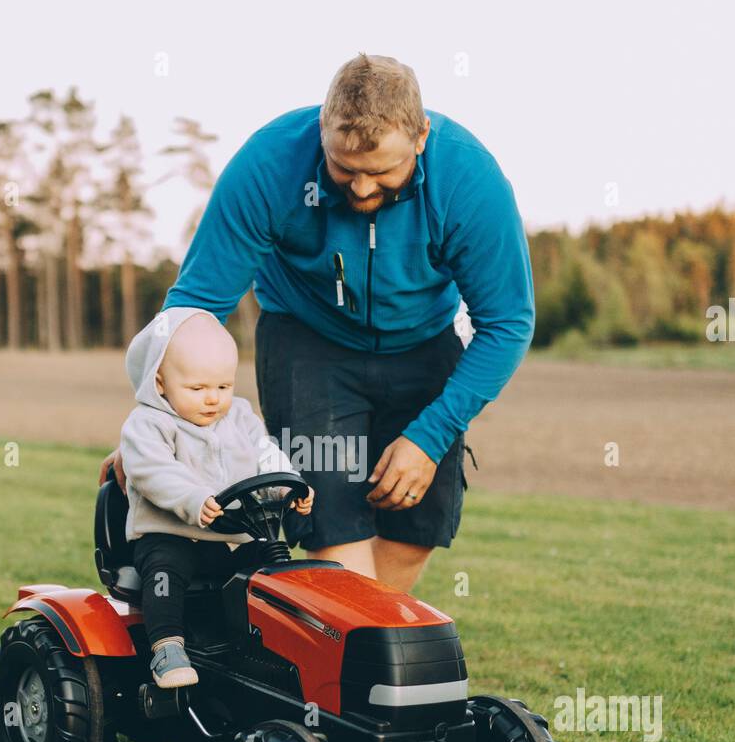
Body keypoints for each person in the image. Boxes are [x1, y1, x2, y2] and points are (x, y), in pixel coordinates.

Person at [101, 53, 534, 593]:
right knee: (334, 523)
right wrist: (152, 417)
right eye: (343, 167)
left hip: (423, 343)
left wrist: (430, 435)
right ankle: (352, 669)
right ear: (321, 132)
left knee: (414, 522)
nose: (360, 189)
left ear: (421, 136)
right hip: (308, 342)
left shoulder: (471, 181)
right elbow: (193, 307)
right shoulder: (269, 164)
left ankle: (356, 665)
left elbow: (508, 323)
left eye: (380, 172)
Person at [120, 306, 311, 688]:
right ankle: (167, 648)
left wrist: (289, 485)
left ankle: (280, 651)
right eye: (197, 389)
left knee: (279, 570)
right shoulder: (148, 424)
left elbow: (265, 455)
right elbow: (152, 472)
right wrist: (194, 498)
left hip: (232, 540)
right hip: (170, 536)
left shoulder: (240, 417)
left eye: (223, 387)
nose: (212, 399)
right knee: (165, 569)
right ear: (160, 383)